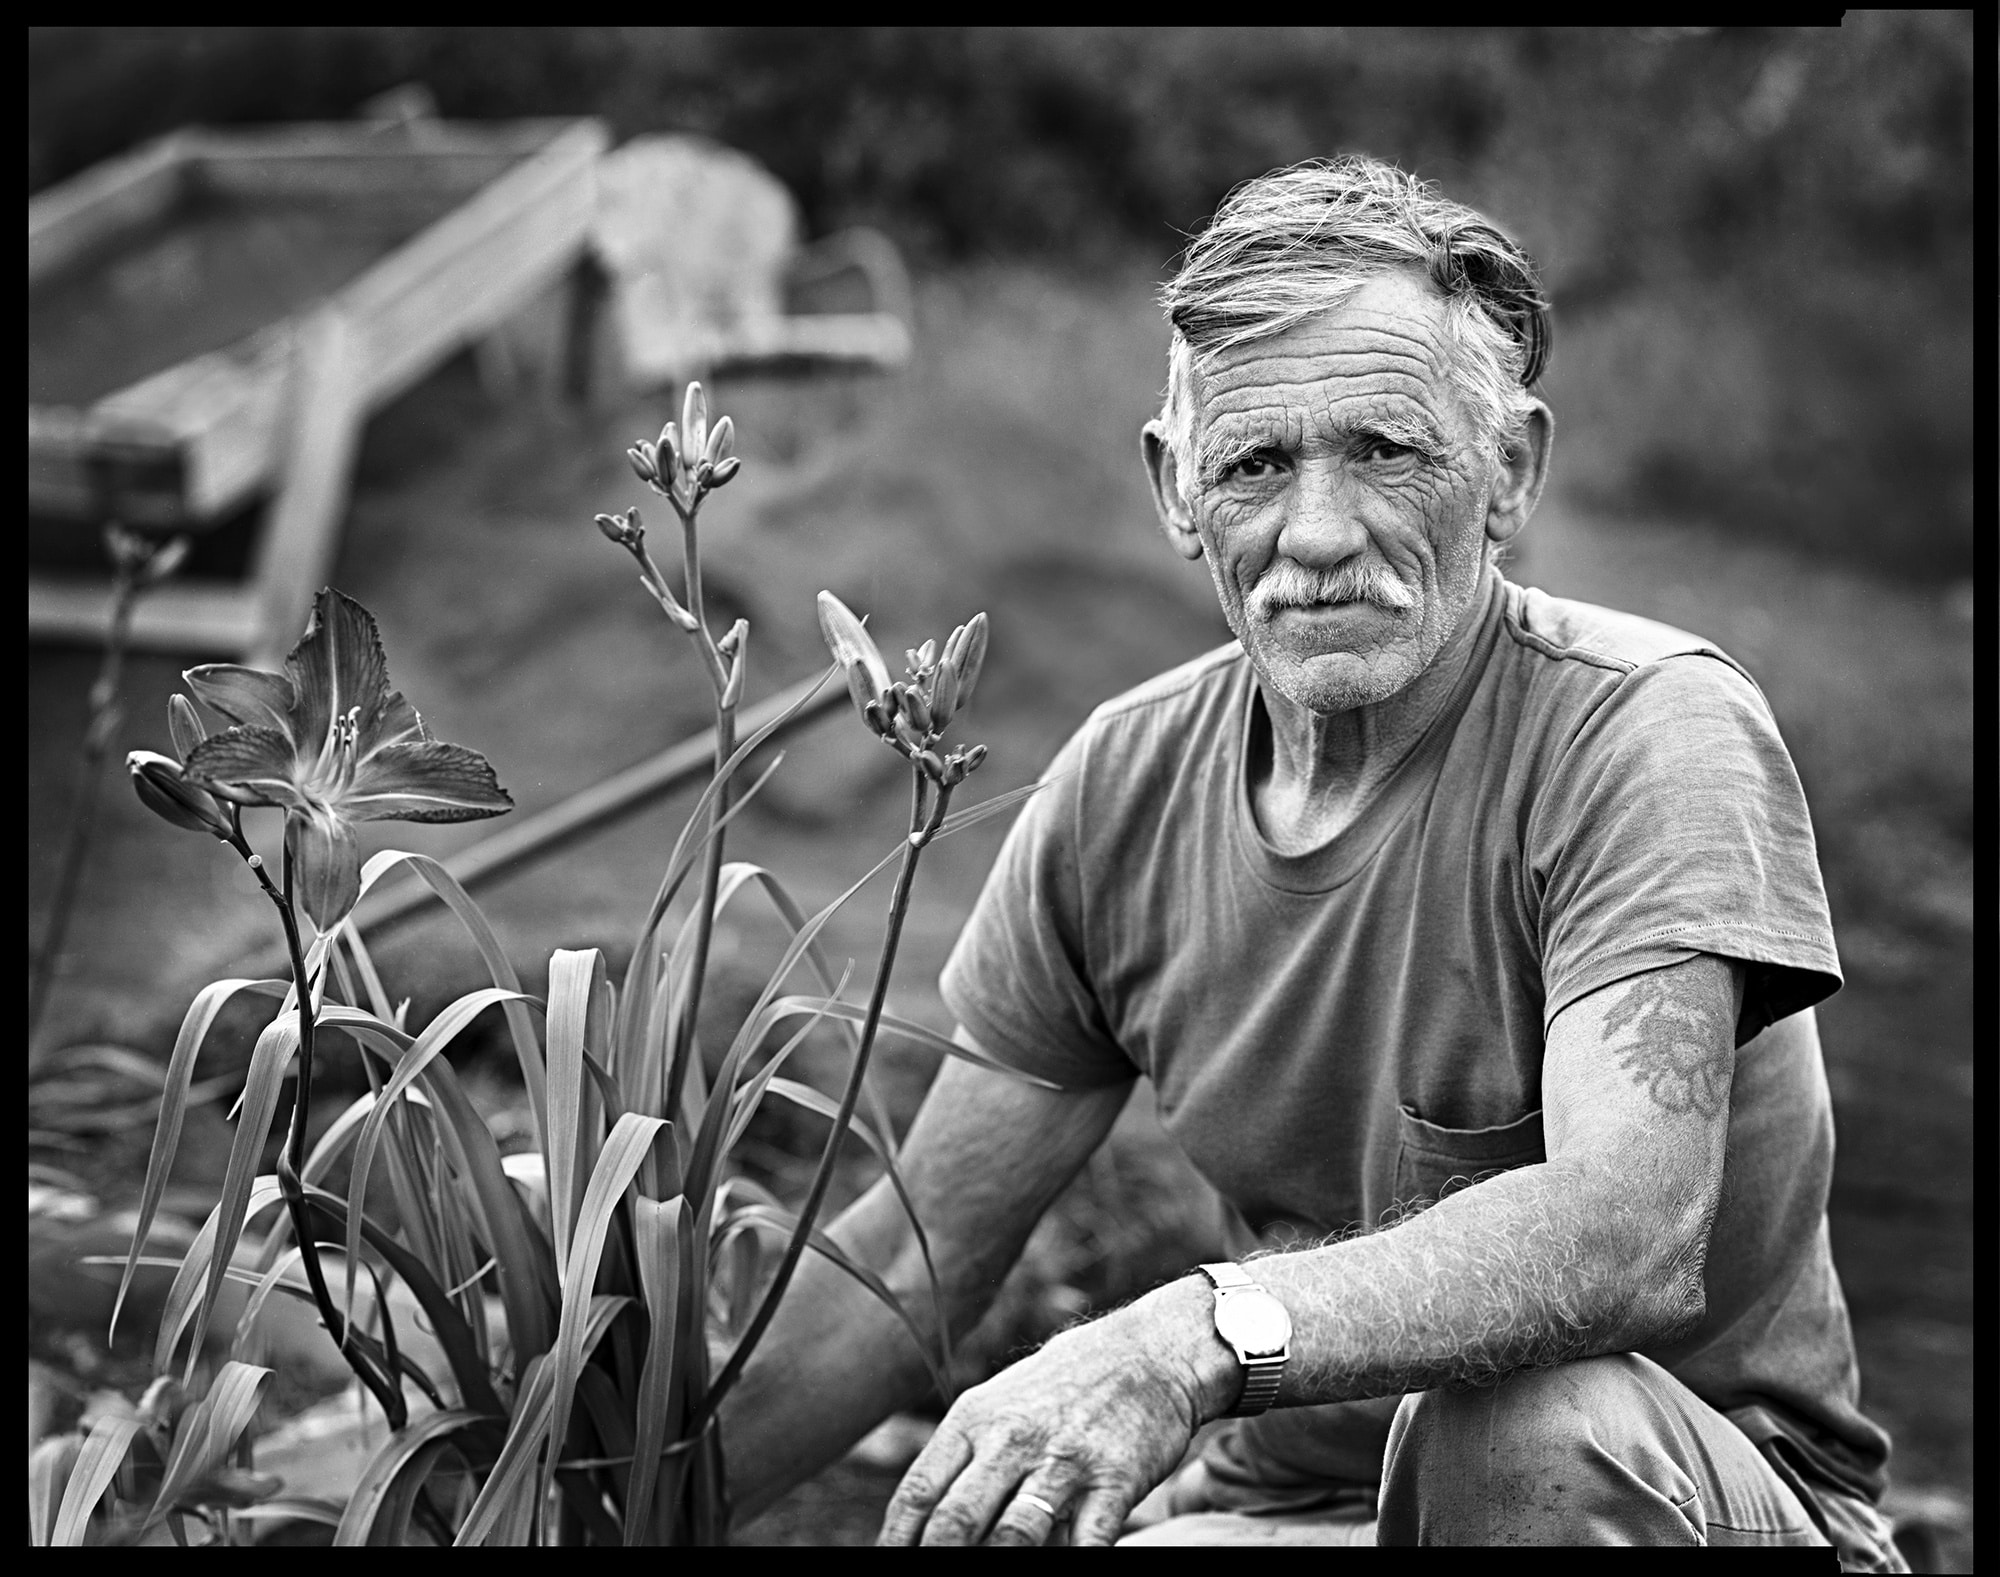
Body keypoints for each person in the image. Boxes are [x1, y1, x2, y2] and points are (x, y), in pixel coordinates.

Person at [721, 156, 1906, 1565]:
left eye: (1387, 453)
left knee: (1521, 1423)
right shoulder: (1124, 781)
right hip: (1301, 1511)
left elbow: (1625, 1232)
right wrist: (565, 1484)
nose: (1320, 535)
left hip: (1690, 1503)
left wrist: (1192, 1333)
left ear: (1510, 470)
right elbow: (907, 1270)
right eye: (1257, 464)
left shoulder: (1648, 732)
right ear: (1177, 489)